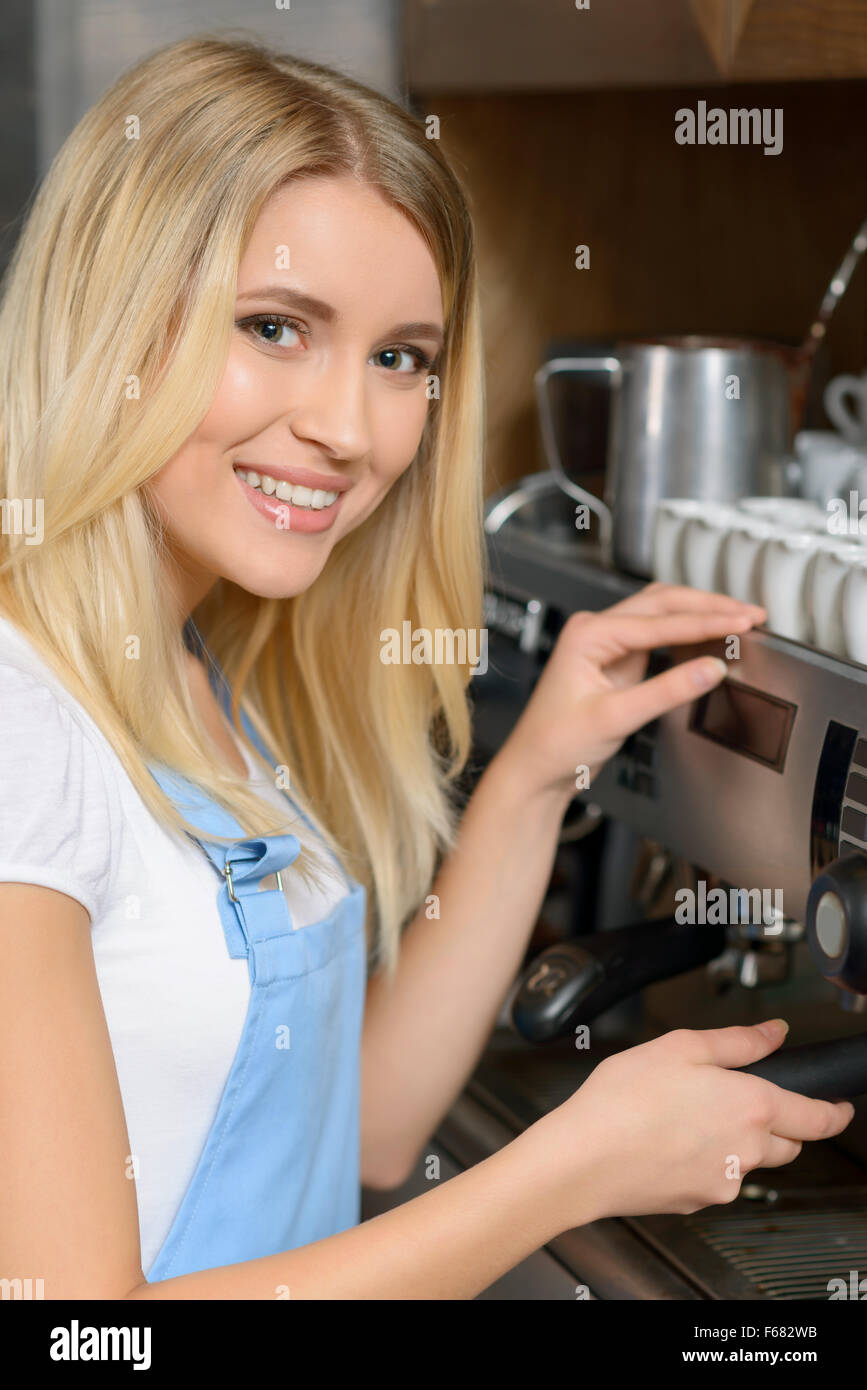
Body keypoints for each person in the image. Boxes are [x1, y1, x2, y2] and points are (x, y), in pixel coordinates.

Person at [0, 34, 852, 1301]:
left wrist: (536, 770)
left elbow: (361, 1132)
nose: (348, 429)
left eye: (400, 357)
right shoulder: (25, 726)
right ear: (112, 319)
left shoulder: (191, 669)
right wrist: (568, 1167)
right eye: (276, 326)